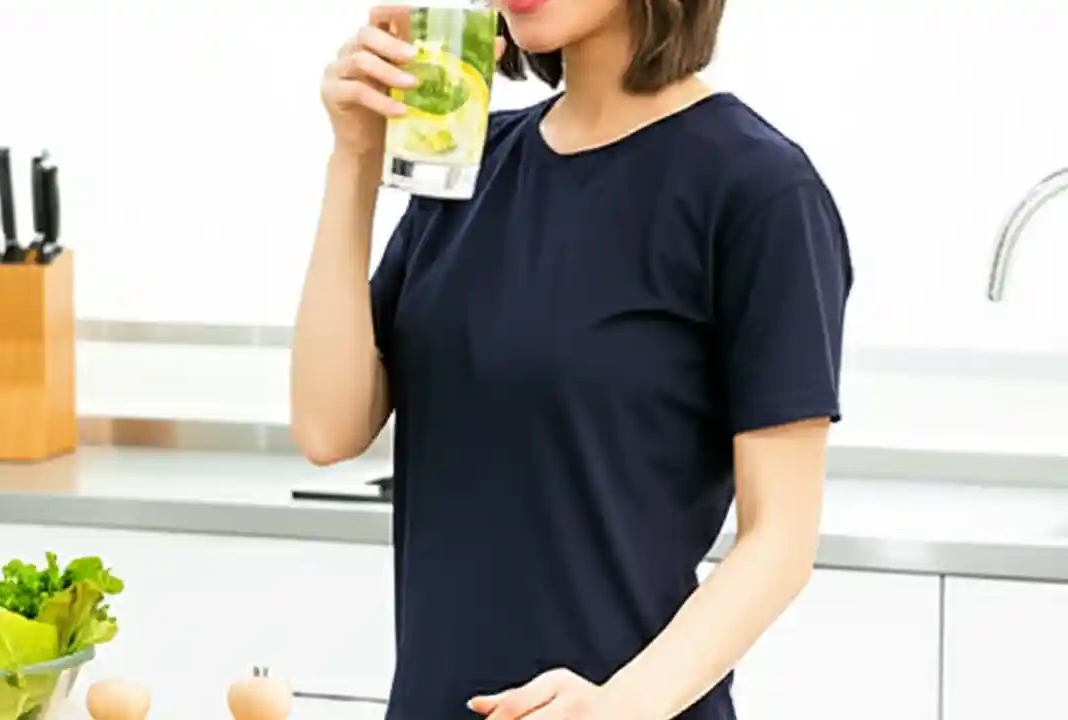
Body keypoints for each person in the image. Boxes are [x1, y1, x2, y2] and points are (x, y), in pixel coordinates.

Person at [291, 0, 853, 717]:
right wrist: (354, 161)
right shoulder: (470, 162)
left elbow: (781, 538)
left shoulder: (758, 188)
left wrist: (617, 707)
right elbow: (328, 428)